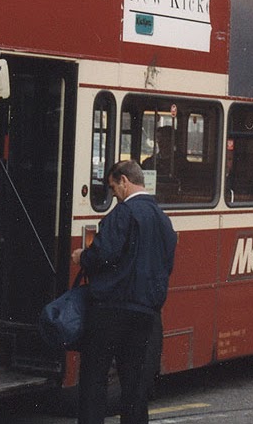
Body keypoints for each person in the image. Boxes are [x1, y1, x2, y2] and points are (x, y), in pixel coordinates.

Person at [72, 160, 177, 424]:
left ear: (124, 181)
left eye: (113, 187)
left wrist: (82, 256)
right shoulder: (163, 220)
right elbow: (167, 265)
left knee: (94, 379)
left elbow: (103, 254)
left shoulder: (123, 213)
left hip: (110, 310)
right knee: (135, 388)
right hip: (146, 314)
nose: (114, 194)